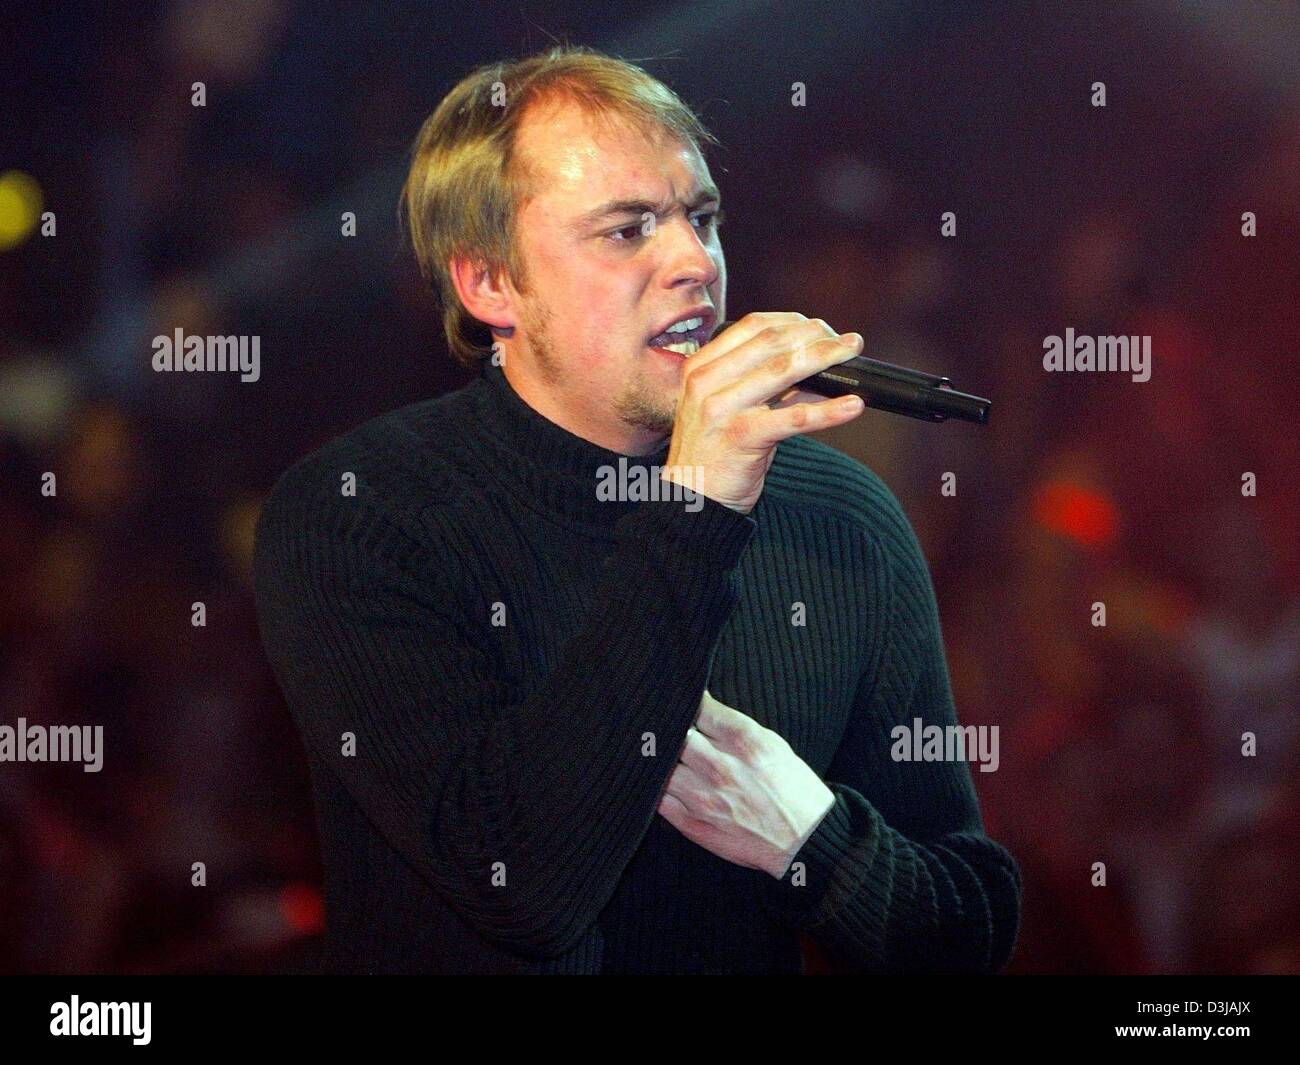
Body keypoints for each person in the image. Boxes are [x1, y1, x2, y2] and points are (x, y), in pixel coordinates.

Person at [252, 44, 1021, 974]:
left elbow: (967, 934)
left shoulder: (842, 518)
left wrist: (815, 845)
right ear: (490, 283)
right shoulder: (360, 516)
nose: (695, 262)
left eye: (703, 218)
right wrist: (695, 508)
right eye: (628, 230)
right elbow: (521, 887)